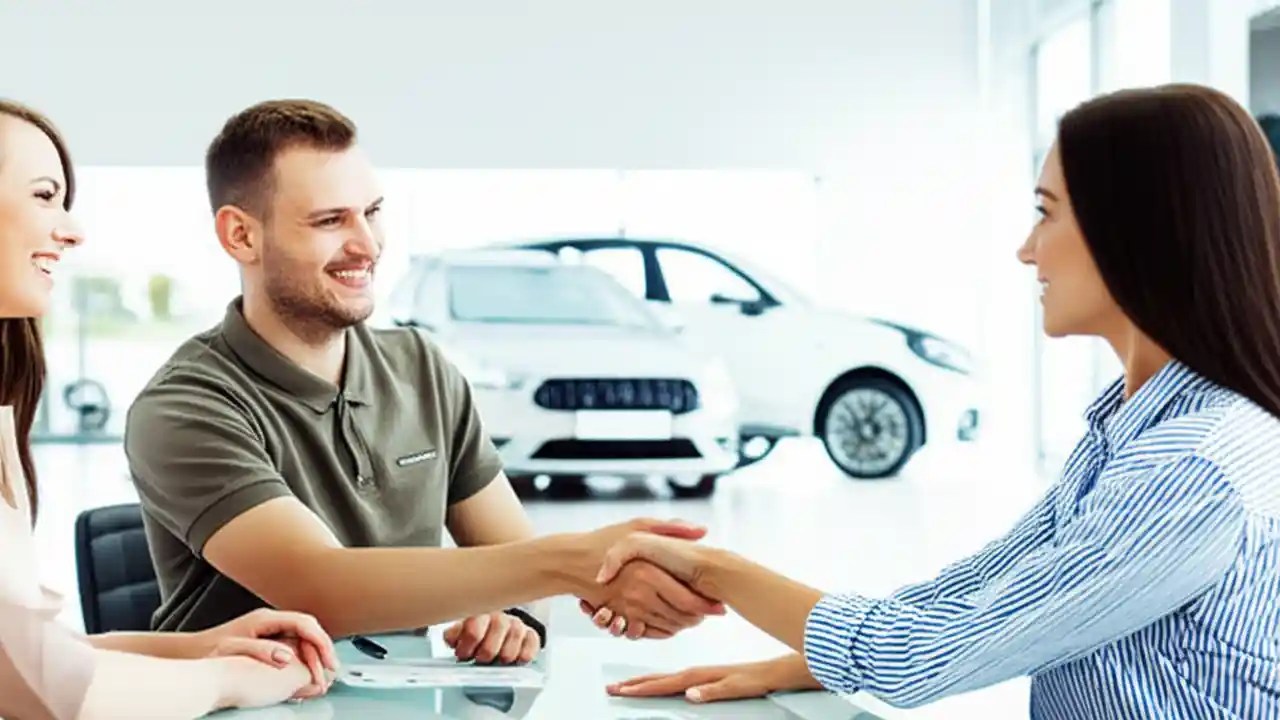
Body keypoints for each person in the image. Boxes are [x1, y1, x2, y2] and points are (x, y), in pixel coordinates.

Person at [595, 83, 1280, 717]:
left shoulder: (1193, 466)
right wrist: (804, 664)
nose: (1025, 251)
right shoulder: (1135, 428)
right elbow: (982, 592)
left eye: (1045, 215)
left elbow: (920, 658)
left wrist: (715, 569)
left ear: (1137, 232)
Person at [123, 99, 721, 664]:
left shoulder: (421, 368)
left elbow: (511, 561)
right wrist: (573, 561)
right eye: (331, 220)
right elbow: (318, 589)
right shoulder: (185, 405)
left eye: (373, 212)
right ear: (241, 236)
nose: (367, 245)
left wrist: (512, 616)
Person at [0, 99, 340, 718]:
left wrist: (195, 650)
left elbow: (20, 657)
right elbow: (38, 692)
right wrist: (232, 682)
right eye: (45, 196)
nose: (72, 230)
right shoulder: (186, 399)